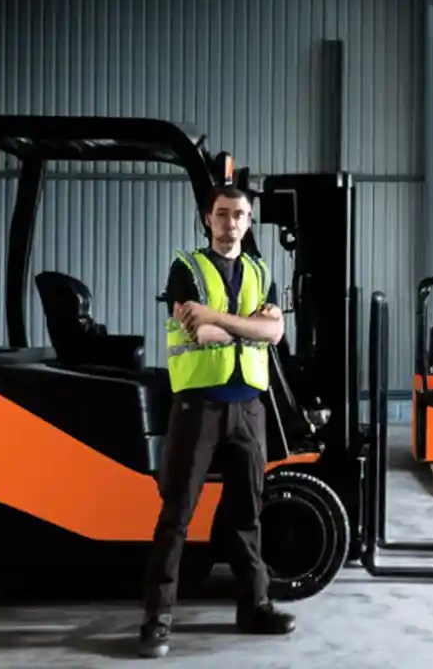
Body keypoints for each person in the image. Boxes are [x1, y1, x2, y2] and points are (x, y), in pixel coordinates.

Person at [138, 182, 295, 659]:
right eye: (223, 214)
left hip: (249, 406)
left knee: (247, 513)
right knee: (177, 514)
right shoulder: (187, 268)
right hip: (198, 407)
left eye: (240, 215)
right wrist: (245, 325)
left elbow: (275, 331)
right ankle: (157, 619)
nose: (231, 223)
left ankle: (255, 606)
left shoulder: (260, 270)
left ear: (250, 222)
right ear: (208, 219)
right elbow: (199, 331)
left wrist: (222, 320)